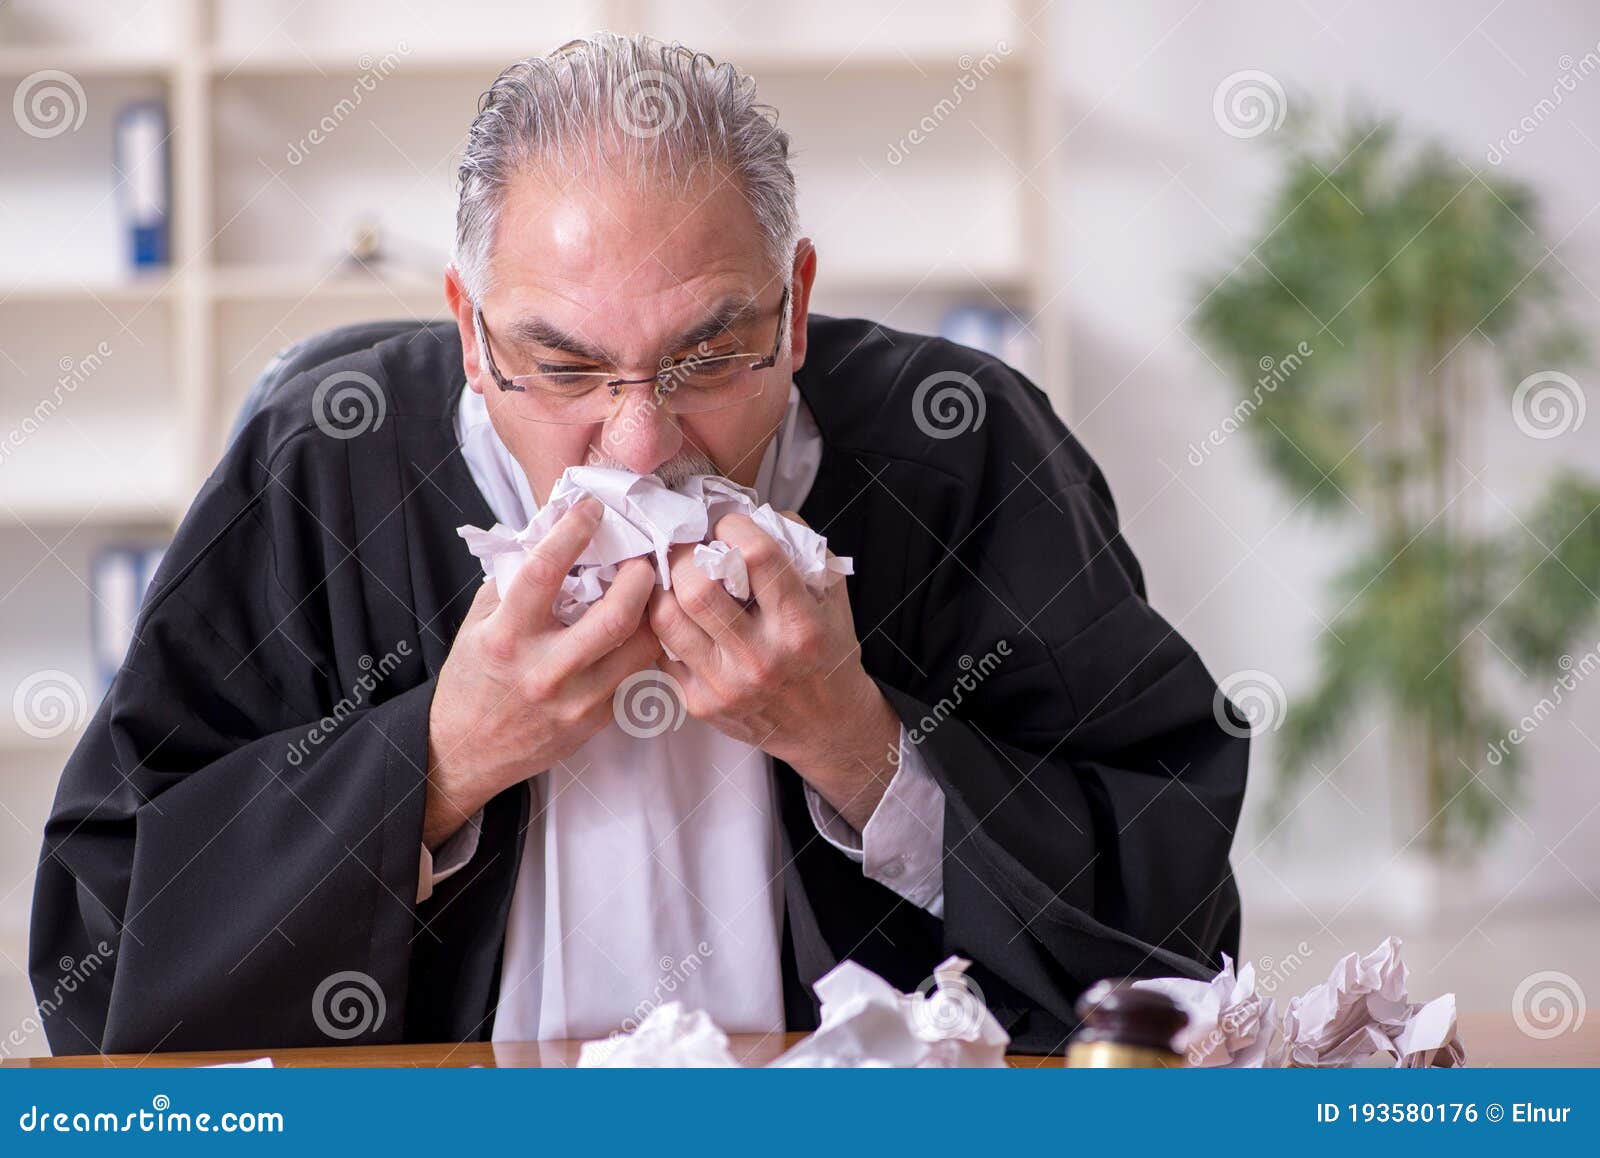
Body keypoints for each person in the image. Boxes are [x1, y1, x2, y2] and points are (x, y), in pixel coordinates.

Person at [30, 32, 1247, 1056]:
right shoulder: (326, 459)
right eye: (561, 367)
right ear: (467, 329)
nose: (637, 442)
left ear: (796, 306)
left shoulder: (964, 445)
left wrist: (861, 750)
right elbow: (99, 952)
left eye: (709, 358)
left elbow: (1175, 933)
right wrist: (437, 765)